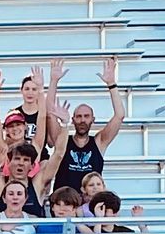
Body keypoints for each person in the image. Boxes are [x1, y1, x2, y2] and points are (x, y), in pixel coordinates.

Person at [53, 58, 125, 192]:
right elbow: (49, 114)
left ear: (93, 119)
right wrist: (54, 81)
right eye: (79, 116)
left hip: (91, 201)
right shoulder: (63, 140)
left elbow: (119, 116)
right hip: (64, 201)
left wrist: (111, 84)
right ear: (73, 120)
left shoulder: (99, 142)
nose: (82, 120)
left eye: (86, 116)